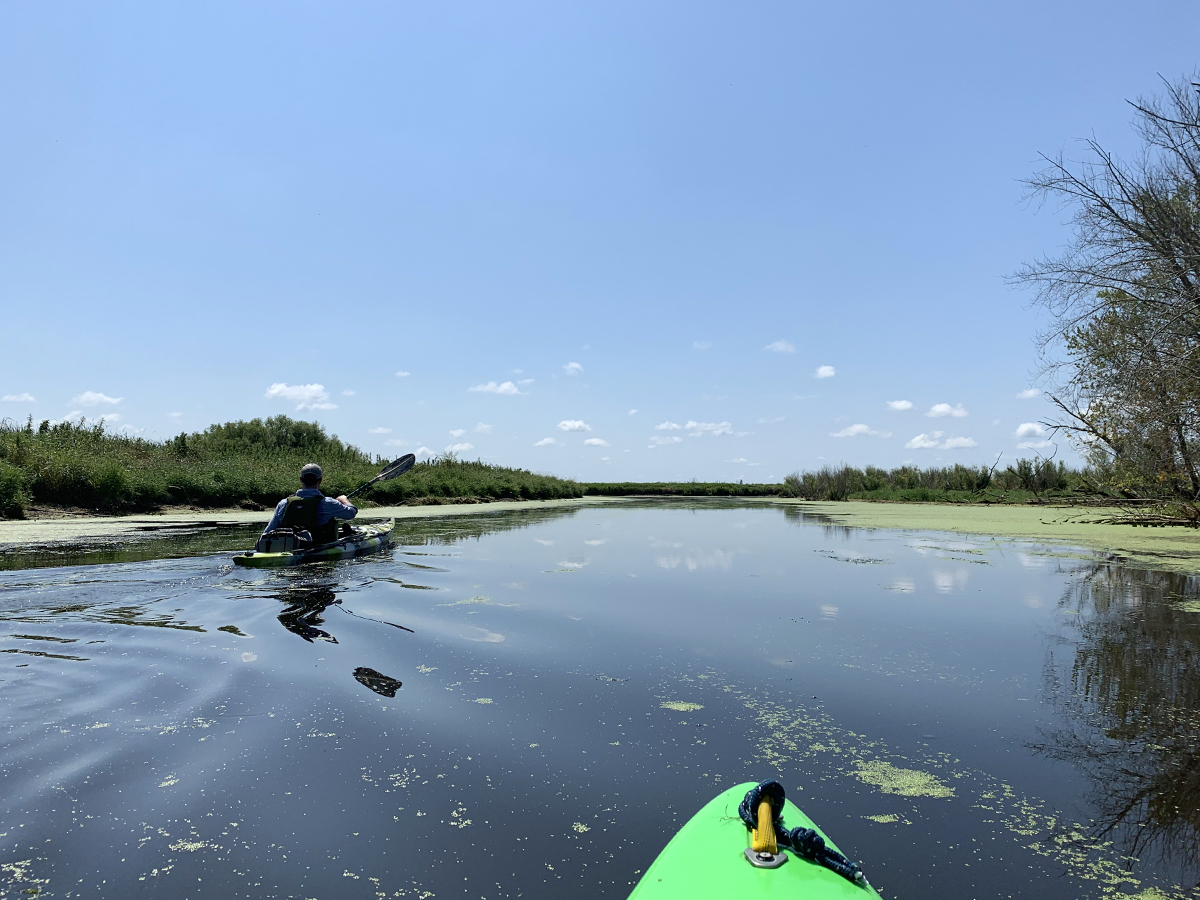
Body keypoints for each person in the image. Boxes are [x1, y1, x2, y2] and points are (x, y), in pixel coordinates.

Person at [262, 463, 357, 544]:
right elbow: (351, 513)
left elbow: (268, 532)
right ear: (320, 481)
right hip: (317, 547)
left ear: (301, 479)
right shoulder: (328, 503)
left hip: (290, 546)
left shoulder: (284, 503)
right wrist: (344, 500)